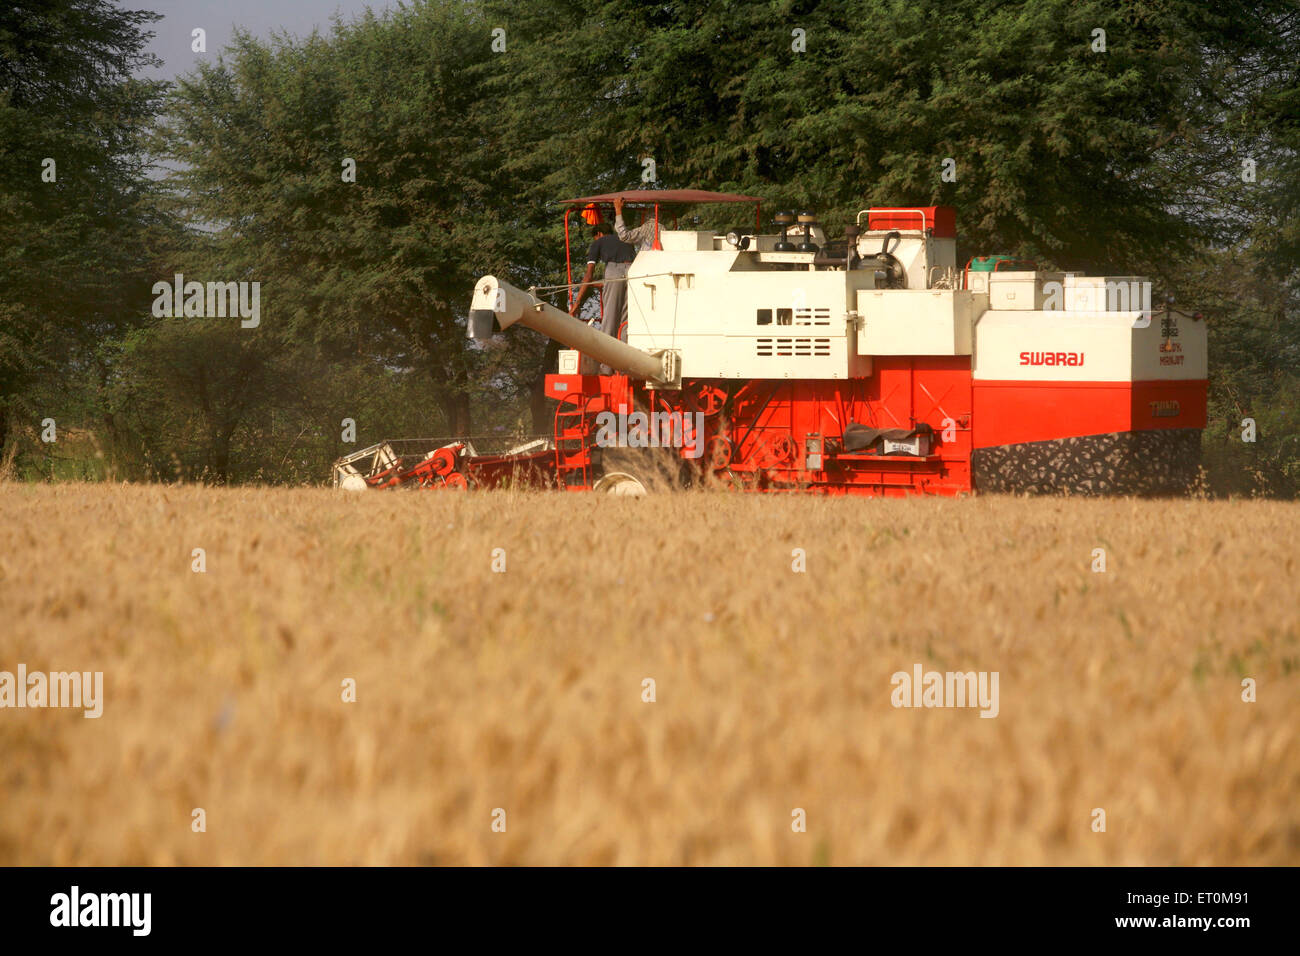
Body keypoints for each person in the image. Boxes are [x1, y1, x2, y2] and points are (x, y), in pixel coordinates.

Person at [570, 211, 636, 373]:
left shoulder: (598, 243)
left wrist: (577, 303)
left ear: (598, 234)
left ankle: (606, 368)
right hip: (634, 272)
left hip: (614, 271)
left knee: (609, 318)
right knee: (625, 321)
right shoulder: (624, 239)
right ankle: (624, 367)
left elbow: (589, 274)